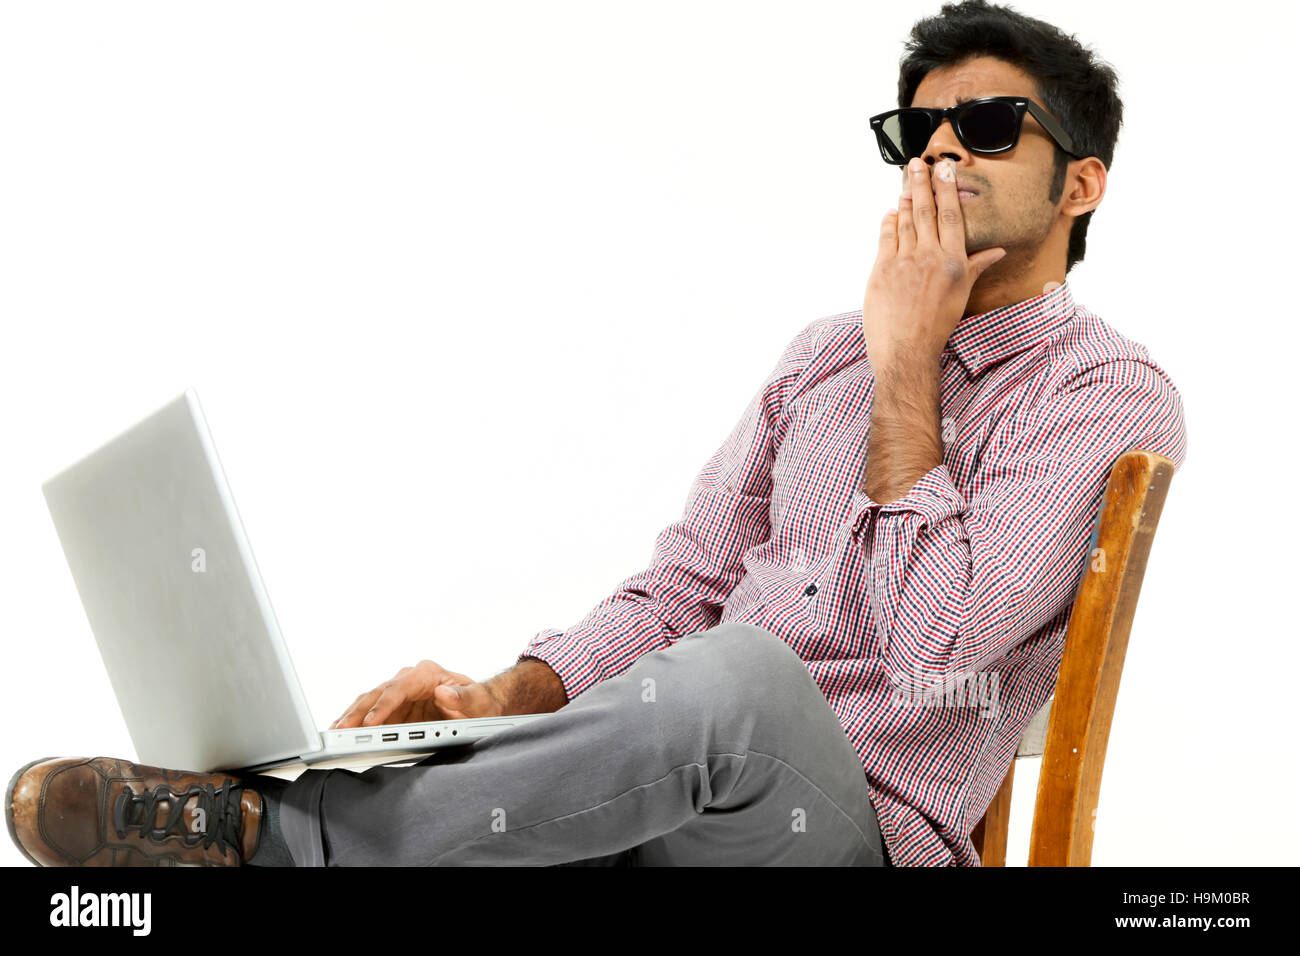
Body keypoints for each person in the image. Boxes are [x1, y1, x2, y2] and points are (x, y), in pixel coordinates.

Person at [5, 0, 1186, 867]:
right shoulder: (820, 355)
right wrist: (506, 690)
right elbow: (680, 589)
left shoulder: (1103, 389)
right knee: (665, 675)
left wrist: (906, 361)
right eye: (913, 130)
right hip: (662, 798)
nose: (936, 152)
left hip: (853, 829)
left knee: (743, 674)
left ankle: (265, 836)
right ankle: (286, 809)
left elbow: (941, 641)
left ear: (1078, 186)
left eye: (984, 125)